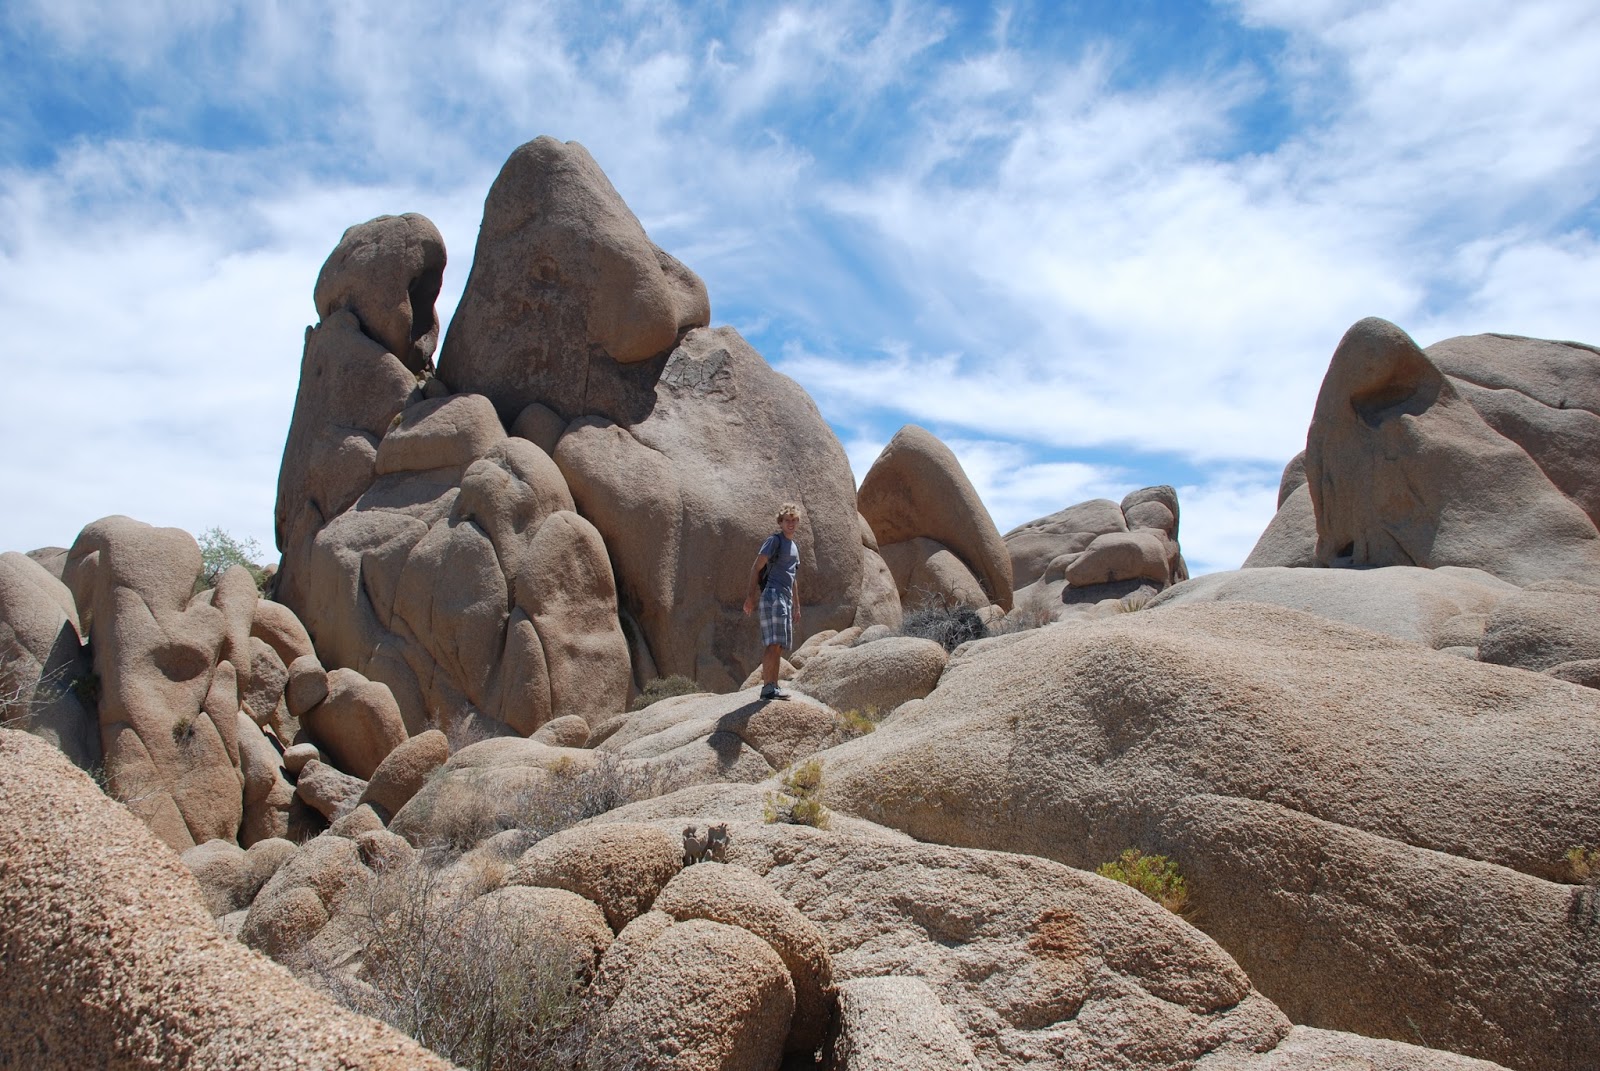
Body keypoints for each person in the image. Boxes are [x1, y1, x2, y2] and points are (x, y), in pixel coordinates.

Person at [743, 503, 802, 700]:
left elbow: (793, 578)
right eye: (787, 520)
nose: (791, 524)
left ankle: (773, 687)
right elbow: (755, 567)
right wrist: (750, 597)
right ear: (781, 522)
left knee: (778, 645)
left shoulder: (794, 547)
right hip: (772, 595)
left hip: (785, 598)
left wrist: (796, 604)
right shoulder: (774, 541)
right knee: (773, 642)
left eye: (794, 520)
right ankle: (768, 687)